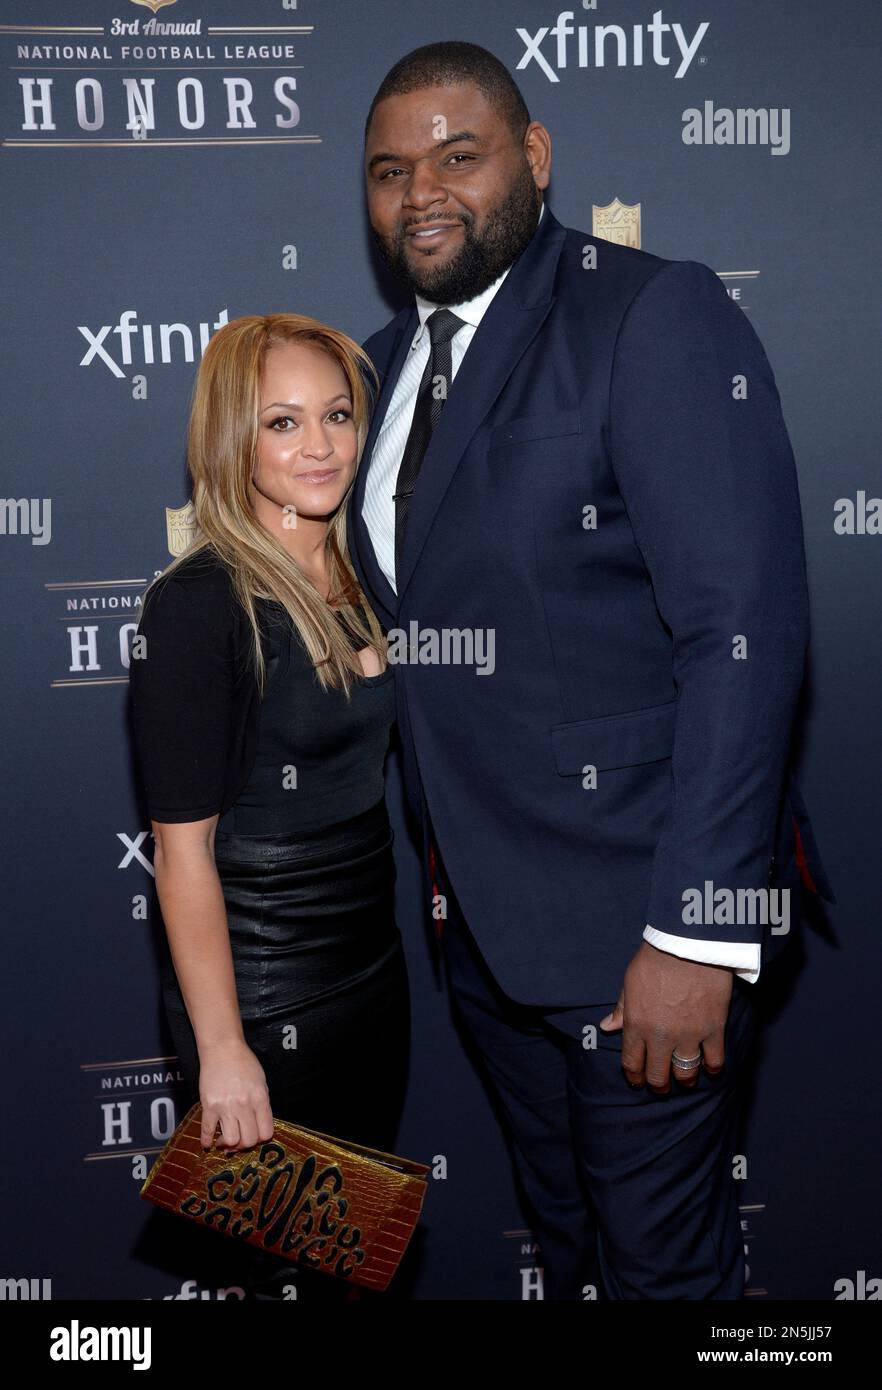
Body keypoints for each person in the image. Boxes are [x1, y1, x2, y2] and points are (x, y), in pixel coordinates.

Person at [348, 42, 834, 1300]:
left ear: (538, 157)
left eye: (461, 155)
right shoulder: (378, 371)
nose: (424, 194)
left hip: (642, 931)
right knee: (572, 1255)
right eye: (391, 170)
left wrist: (696, 932)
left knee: (664, 1278)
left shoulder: (649, 311)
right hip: (486, 939)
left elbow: (742, 627)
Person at [130, 314, 410, 1301]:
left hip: (372, 979)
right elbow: (184, 855)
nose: (321, 444)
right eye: (282, 423)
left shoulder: (363, 573)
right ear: (230, 441)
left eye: (335, 415)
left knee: (349, 1274)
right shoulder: (203, 604)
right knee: (288, 1282)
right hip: (267, 998)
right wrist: (224, 1053)